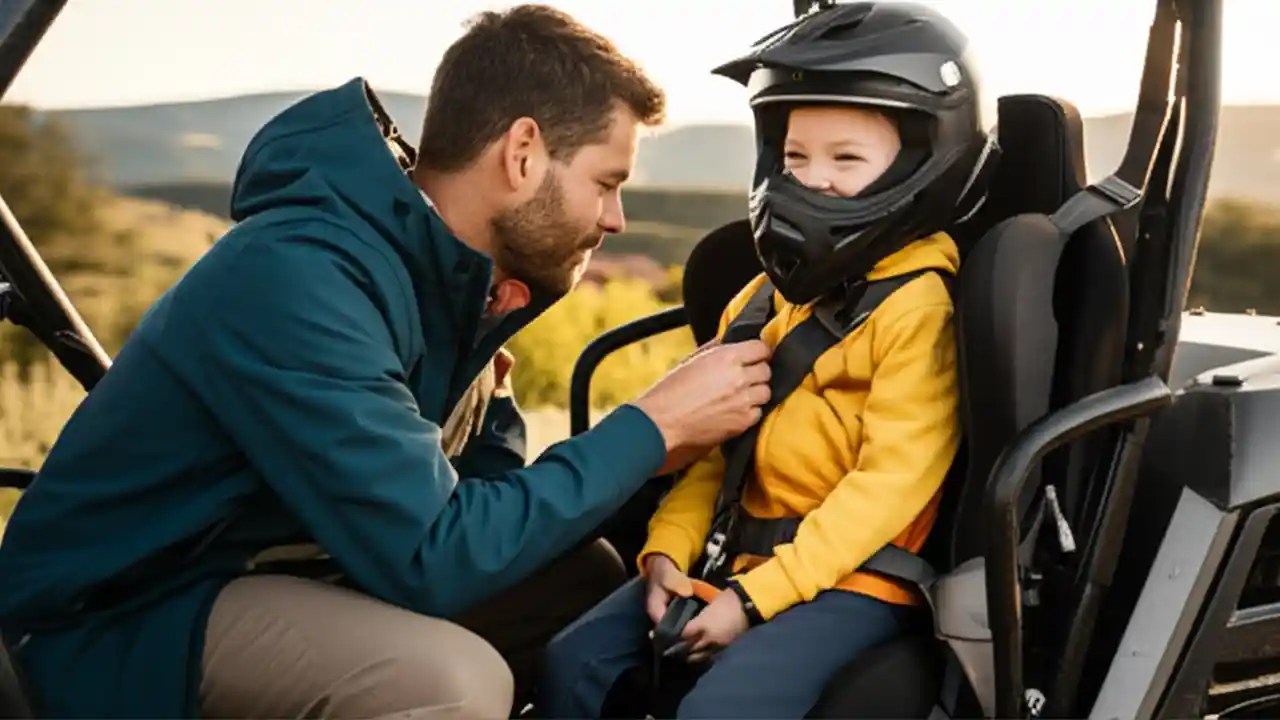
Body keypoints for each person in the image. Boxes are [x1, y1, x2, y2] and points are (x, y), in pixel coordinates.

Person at [0, 5, 775, 719]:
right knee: (449, 683)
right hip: (121, 613)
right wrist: (653, 425)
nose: (616, 217)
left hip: (282, 567)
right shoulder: (303, 278)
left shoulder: (445, 282)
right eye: (606, 183)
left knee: (581, 585)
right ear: (523, 153)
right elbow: (429, 557)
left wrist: (488, 405)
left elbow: (476, 501)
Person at [537, 3, 997, 717]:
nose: (812, 180)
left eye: (846, 158)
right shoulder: (762, 300)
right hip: (730, 564)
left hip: (850, 581)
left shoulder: (919, 312)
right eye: (794, 157)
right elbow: (716, 454)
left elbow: (889, 487)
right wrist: (666, 552)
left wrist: (755, 601)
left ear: (919, 162)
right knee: (571, 666)